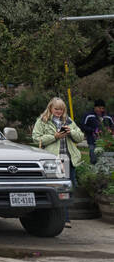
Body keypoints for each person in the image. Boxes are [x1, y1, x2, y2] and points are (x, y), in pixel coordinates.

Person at [33, 96, 80, 228]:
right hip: (54, 160)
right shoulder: (43, 121)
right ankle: (63, 218)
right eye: (56, 109)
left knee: (70, 188)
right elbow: (36, 139)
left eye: (61, 109)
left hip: (68, 159)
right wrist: (55, 136)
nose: (59, 111)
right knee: (58, 189)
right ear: (51, 108)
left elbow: (80, 136)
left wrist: (71, 132)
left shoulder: (68, 120)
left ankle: (63, 217)